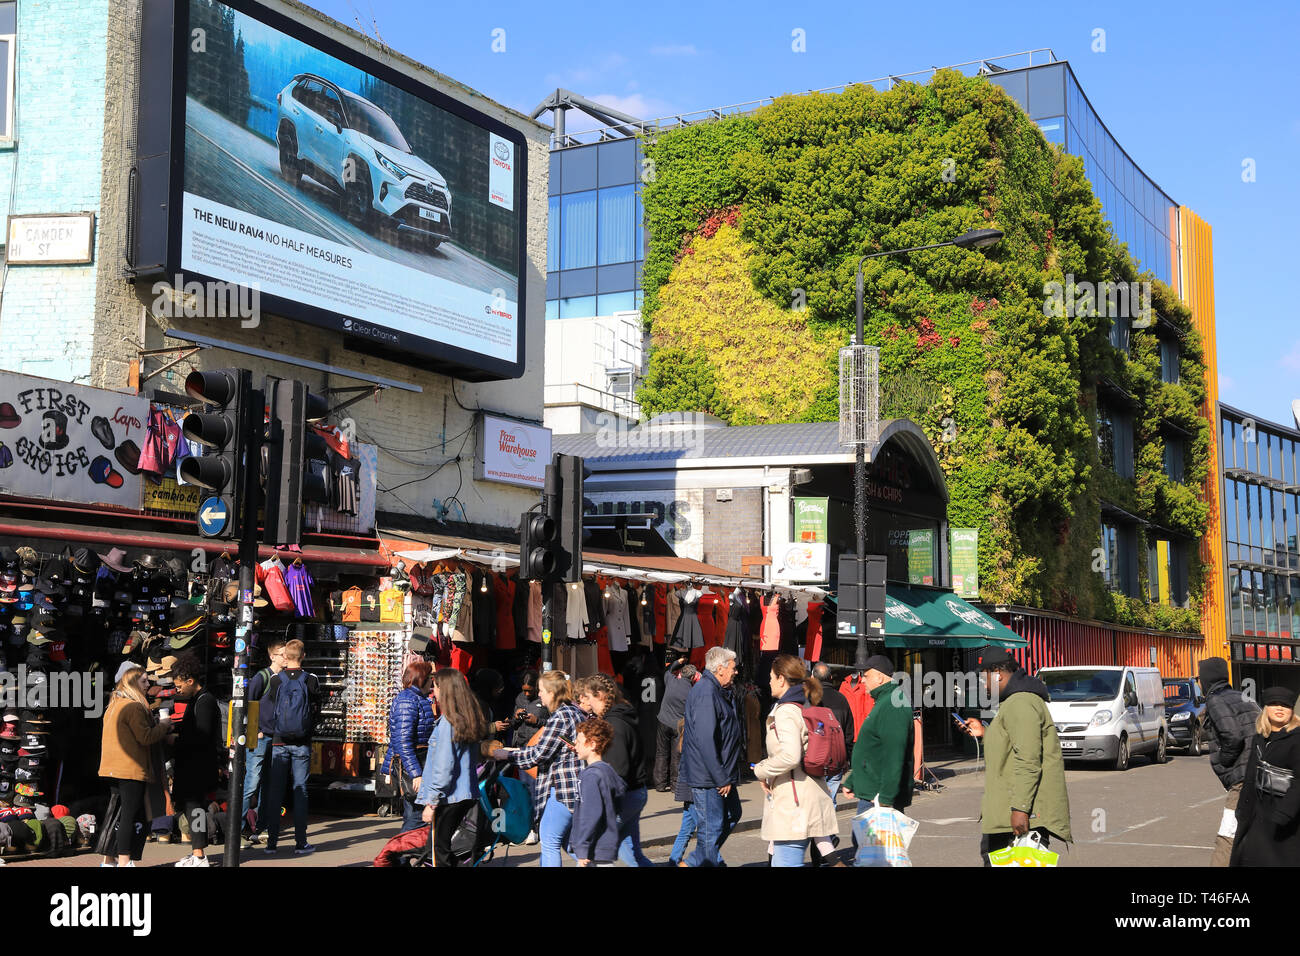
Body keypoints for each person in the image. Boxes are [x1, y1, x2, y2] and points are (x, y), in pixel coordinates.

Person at [964, 648, 1071, 866]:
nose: (983, 684)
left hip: (1018, 816)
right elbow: (1013, 745)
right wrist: (985, 734)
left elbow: (1028, 760)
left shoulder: (1021, 702)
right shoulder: (1013, 701)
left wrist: (1020, 809)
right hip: (1007, 812)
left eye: (984, 677)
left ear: (997, 674)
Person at [492, 670, 586, 866]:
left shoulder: (561, 717)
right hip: (573, 788)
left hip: (562, 790)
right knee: (570, 845)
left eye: (542, 690)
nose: (539, 694)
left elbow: (538, 754)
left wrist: (507, 753)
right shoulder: (574, 712)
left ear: (552, 693)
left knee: (549, 841)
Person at [753, 654, 838, 867]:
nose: (769, 681)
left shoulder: (786, 711)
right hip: (805, 796)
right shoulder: (804, 706)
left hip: (794, 804)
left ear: (781, 679)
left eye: (772, 677)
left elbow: (790, 756)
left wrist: (761, 769)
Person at [99, 666, 173, 867]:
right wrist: (164, 725)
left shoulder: (114, 704)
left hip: (112, 767)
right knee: (129, 815)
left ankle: (109, 860)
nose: (148, 684)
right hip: (130, 768)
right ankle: (124, 861)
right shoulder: (134, 707)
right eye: (143, 681)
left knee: (116, 814)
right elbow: (146, 737)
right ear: (132, 683)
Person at [578, 673, 654, 867]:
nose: (587, 703)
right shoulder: (621, 715)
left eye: (588, 697)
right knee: (633, 853)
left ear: (600, 695)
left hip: (625, 795)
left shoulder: (615, 723)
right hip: (635, 791)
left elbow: (618, 768)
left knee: (599, 847)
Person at [417, 668, 489, 867]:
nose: (433, 692)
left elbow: (443, 768)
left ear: (445, 690)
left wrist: (431, 803)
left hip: (449, 797)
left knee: (439, 851)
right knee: (444, 849)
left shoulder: (448, 723)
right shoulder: (466, 719)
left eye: (436, 687)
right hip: (464, 794)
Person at [680, 646, 743, 867]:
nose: (736, 672)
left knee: (733, 814)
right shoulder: (706, 692)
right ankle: (703, 861)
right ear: (720, 669)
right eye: (733, 668)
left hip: (721, 772)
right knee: (711, 828)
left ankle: (695, 861)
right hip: (710, 776)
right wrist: (720, 777)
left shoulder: (718, 690)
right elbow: (706, 740)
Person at [259, 638, 321, 856]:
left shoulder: (276, 680)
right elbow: (317, 710)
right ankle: (301, 842)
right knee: (301, 790)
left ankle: (272, 843)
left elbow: (269, 708)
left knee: (276, 791)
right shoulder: (311, 680)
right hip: (302, 743)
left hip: (279, 741)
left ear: (286, 657)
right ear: (303, 656)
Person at [1199, 656, 1260, 866]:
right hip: (1258, 775)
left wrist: (1225, 761)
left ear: (1206, 679)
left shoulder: (1215, 699)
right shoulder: (1243, 697)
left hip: (1241, 780)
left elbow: (1232, 736)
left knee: (1228, 836)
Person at [1230, 687, 1300, 867]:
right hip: (1258, 813)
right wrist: (1241, 809)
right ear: (1265, 708)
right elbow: (1251, 776)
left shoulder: (1296, 739)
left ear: (1292, 710)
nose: (1280, 708)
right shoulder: (1260, 737)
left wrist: (1284, 813)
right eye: (1274, 704)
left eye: (1285, 705)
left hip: (1286, 818)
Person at [170, 653, 223, 867]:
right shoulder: (198, 699)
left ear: (190, 681)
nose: (178, 690)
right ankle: (198, 852)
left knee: (195, 810)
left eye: (179, 686)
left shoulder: (204, 701)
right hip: (195, 767)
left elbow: (201, 734)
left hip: (197, 768)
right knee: (194, 810)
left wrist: (175, 739)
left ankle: (199, 855)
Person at [383, 660, 436, 834]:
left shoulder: (416, 698)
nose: (433, 682)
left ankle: (404, 854)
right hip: (413, 763)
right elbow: (403, 741)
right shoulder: (408, 700)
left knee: (415, 814)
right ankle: (401, 855)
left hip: (417, 760)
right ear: (423, 679)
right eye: (431, 678)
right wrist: (416, 773)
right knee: (415, 816)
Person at [242, 638, 284, 846]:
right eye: (281, 654)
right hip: (261, 736)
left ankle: (260, 826)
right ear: (272, 655)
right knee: (252, 782)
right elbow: (248, 703)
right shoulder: (262, 677)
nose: (285, 658)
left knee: (268, 784)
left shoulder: (284, 678)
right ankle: (240, 828)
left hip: (275, 738)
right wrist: (255, 730)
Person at [570, 717, 626, 867]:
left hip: (593, 850)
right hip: (604, 846)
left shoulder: (590, 776)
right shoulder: (608, 771)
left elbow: (590, 815)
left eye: (578, 742)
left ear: (592, 745)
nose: (574, 745)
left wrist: (582, 848)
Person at [811, 662, 855, 806]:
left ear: (812, 677)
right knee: (830, 803)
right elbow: (849, 731)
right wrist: (846, 757)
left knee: (815, 804)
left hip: (815, 760)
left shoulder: (809, 699)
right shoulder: (841, 699)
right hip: (837, 759)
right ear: (830, 677)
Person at [654, 660, 695, 791]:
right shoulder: (692, 692)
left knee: (661, 752)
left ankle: (660, 784)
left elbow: (669, 669)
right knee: (677, 755)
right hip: (679, 725)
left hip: (663, 721)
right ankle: (675, 785)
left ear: (681, 674)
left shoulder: (671, 681)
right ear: (693, 677)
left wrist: (678, 662)